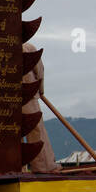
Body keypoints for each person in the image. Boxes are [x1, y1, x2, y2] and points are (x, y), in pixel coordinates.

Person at [21, 42, 59, 172]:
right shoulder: (28, 47)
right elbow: (39, 71)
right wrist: (41, 90)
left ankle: (21, 168)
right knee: (36, 128)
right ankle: (44, 166)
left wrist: (40, 90)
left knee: (27, 129)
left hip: (27, 91)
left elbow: (38, 69)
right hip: (29, 92)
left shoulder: (27, 47)